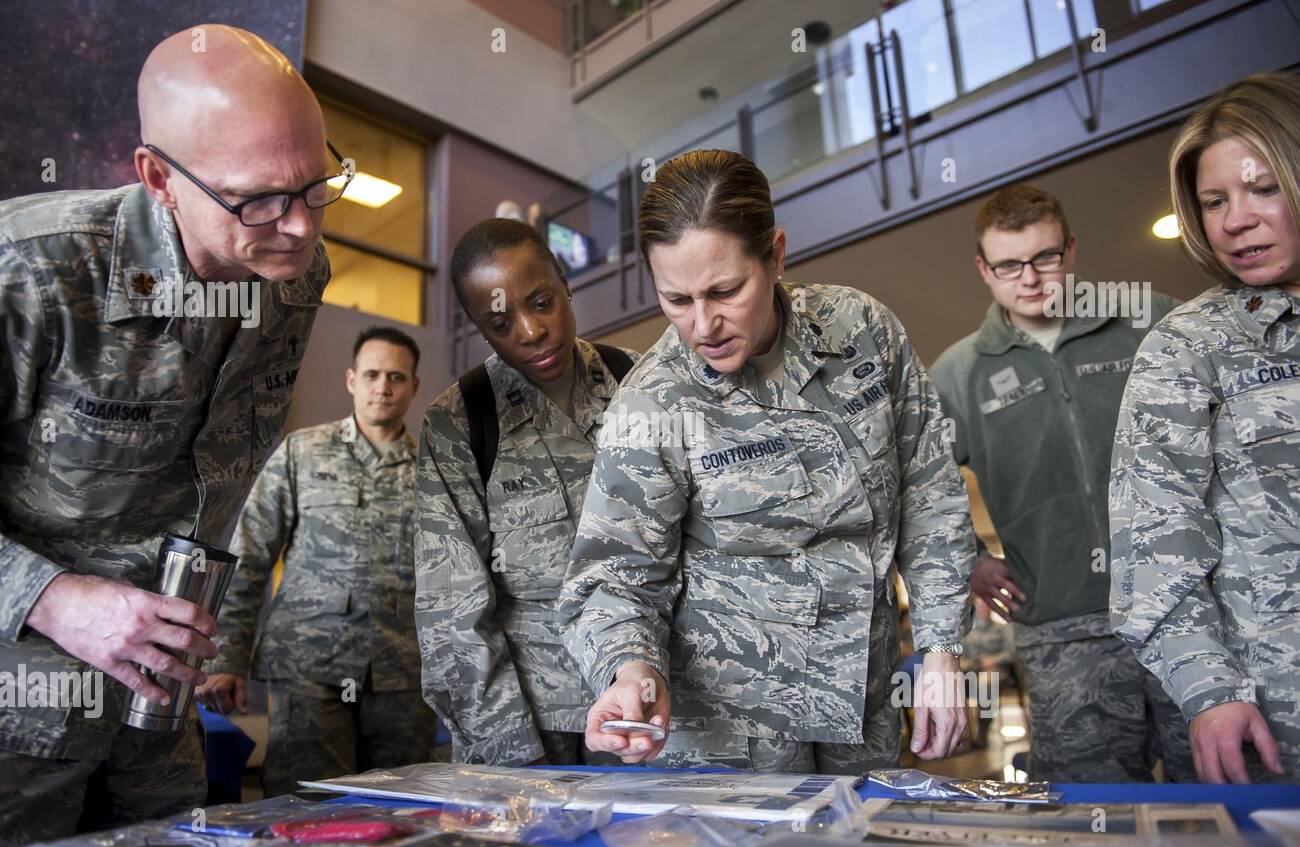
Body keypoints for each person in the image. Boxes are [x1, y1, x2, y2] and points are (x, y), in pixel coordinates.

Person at [0, 25, 338, 844]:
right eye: (256, 197)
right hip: (19, 728)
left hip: (157, 727)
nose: (296, 226)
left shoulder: (289, 277)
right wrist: (53, 599)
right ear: (158, 177)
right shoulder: (31, 270)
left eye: (317, 183)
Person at [560, 149, 976, 772]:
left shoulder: (863, 332)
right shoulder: (652, 402)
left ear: (776, 256)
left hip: (863, 713)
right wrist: (629, 669)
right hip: (729, 739)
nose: (703, 324)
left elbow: (929, 494)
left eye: (725, 290)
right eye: (675, 299)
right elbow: (615, 577)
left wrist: (942, 647)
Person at [929, 184, 1191, 782]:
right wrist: (968, 558)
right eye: (1009, 264)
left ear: (1070, 250)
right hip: (1061, 634)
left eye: (1045, 257)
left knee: (1221, 800)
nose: (1030, 278)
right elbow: (918, 490)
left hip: (1184, 611)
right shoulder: (959, 373)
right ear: (983, 269)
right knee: (1092, 814)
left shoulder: (1149, 321)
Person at [1110, 72, 1300, 783]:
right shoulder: (1187, 347)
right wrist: (1209, 693)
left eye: (1263, 188)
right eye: (1214, 201)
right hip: (1274, 729)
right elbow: (1155, 541)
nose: (1234, 220)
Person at [415, 218, 639, 765]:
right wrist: (511, 760)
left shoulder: (638, 383)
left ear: (565, 280)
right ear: (476, 327)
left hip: (645, 713)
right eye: (499, 322)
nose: (531, 331)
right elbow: (452, 611)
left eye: (541, 302)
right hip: (535, 726)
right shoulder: (461, 421)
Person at [203, 327, 435, 796]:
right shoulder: (301, 452)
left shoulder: (434, 469)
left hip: (405, 672)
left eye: (396, 376)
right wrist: (227, 655)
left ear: (413, 386)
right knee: (307, 801)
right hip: (309, 666)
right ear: (351, 380)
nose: (382, 387)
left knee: (403, 803)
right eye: (372, 374)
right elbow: (249, 558)